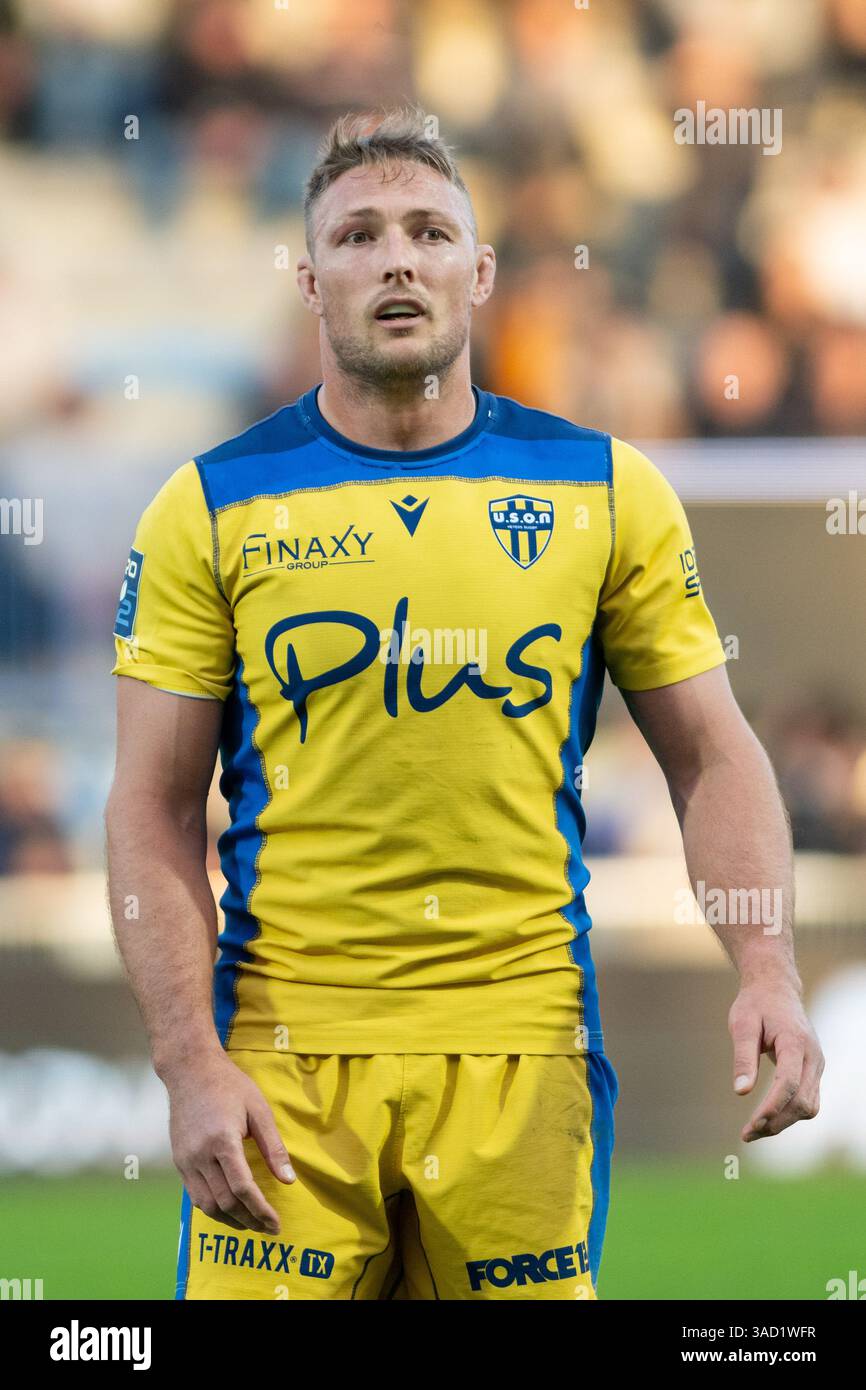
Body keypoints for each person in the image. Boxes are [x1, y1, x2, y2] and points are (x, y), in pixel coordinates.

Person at [105, 105, 823, 1301]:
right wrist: (187, 1062)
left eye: (430, 231)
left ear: (479, 272)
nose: (396, 257)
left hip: (524, 1054)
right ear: (308, 277)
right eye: (358, 235)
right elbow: (149, 804)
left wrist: (765, 966)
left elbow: (710, 752)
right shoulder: (207, 506)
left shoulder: (605, 490)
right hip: (283, 1063)